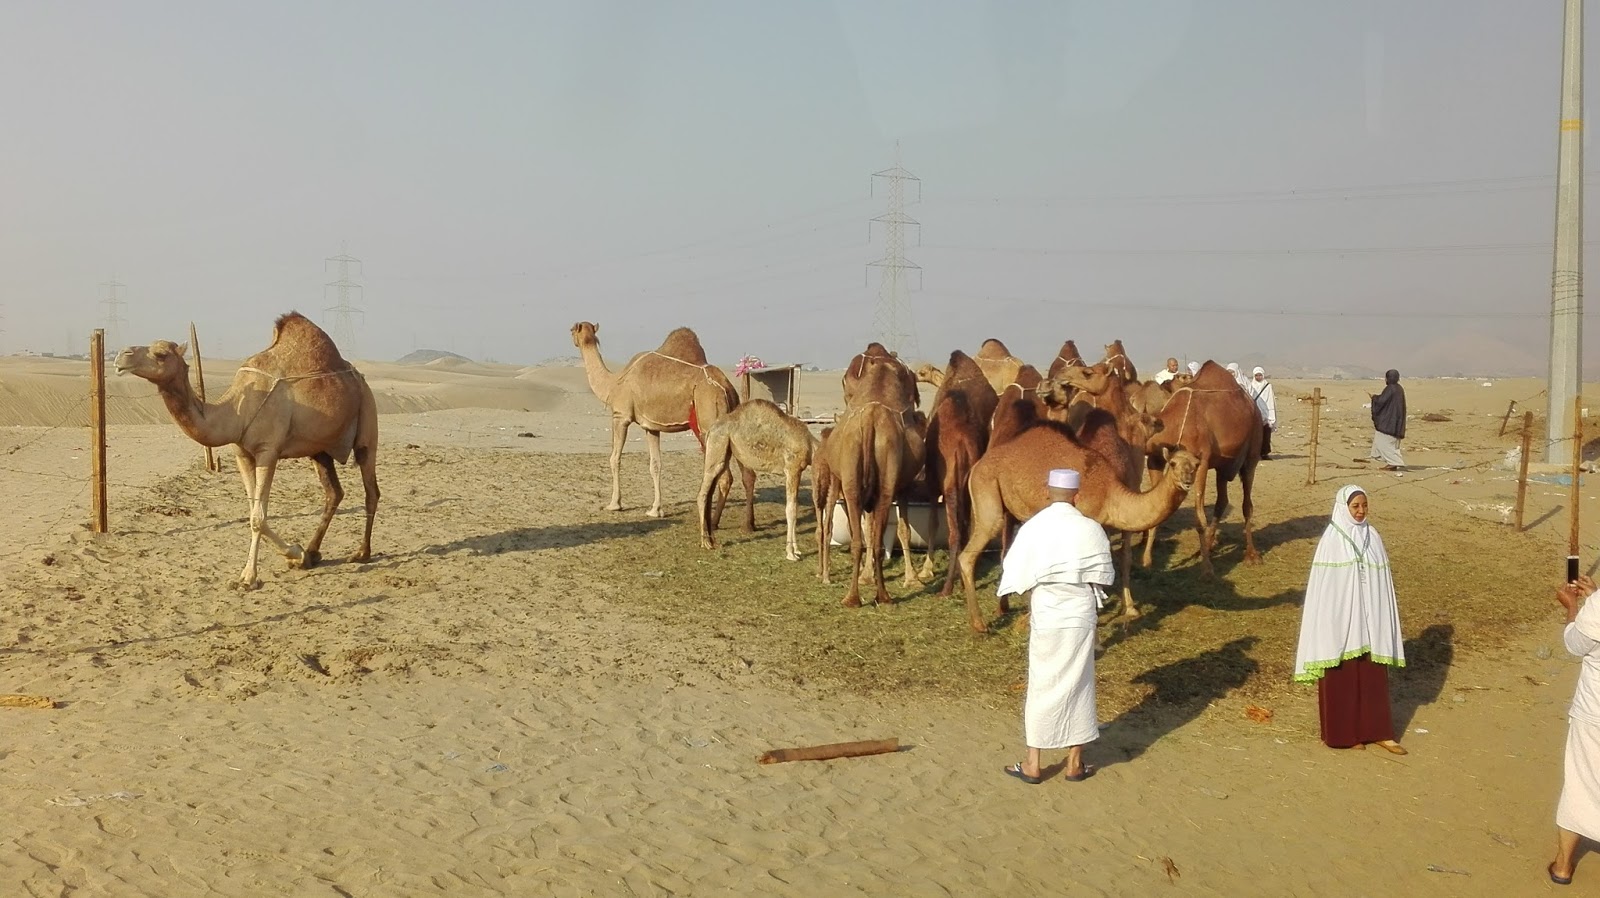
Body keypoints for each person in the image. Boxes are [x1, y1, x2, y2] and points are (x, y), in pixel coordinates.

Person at [998, 468, 1114, 784]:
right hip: (1079, 614)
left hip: (1048, 613)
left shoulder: (1033, 528)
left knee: (1041, 684)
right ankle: (1074, 763)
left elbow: (1015, 569)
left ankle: (1033, 763)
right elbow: (1104, 575)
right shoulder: (1091, 529)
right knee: (1080, 683)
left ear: (1048, 492)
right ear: (1076, 496)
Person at [1292, 485, 1408, 754]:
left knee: (1371, 675)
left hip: (1369, 621)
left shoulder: (1373, 536)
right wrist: (1335, 620)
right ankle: (1344, 734)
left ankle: (1378, 732)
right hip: (1340, 622)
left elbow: (1382, 581)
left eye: (1364, 506)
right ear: (1343, 507)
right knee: (1341, 675)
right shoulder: (1331, 540)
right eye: (1355, 506)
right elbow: (1326, 589)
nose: (1360, 511)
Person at [1550, 574, 1600, 885]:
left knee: (1580, 782)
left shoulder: (1597, 609)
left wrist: (1574, 608)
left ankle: (1563, 865)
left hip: (1594, 712)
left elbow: (1574, 644)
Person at [1369, 369, 1406, 471]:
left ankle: (1394, 462)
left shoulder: (1390, 389)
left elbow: (1381, 402)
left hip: (1388, 423)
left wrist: (1374, 398)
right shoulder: (1399, 388)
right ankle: (1390, 463)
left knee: (1384, 443)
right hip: (1394, 421)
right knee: (1381, 442)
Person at [1250, 367, 1277, 459]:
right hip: (1255, 413)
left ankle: (1264, 453)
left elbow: (1270, 401)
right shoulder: (1251, 386)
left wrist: (1270, 415)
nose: (1258, 377)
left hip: (1266, 414)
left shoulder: (1268, 386)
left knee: (1266, 435)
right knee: (1255, 436)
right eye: (1256, 375)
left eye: (1260, 375)